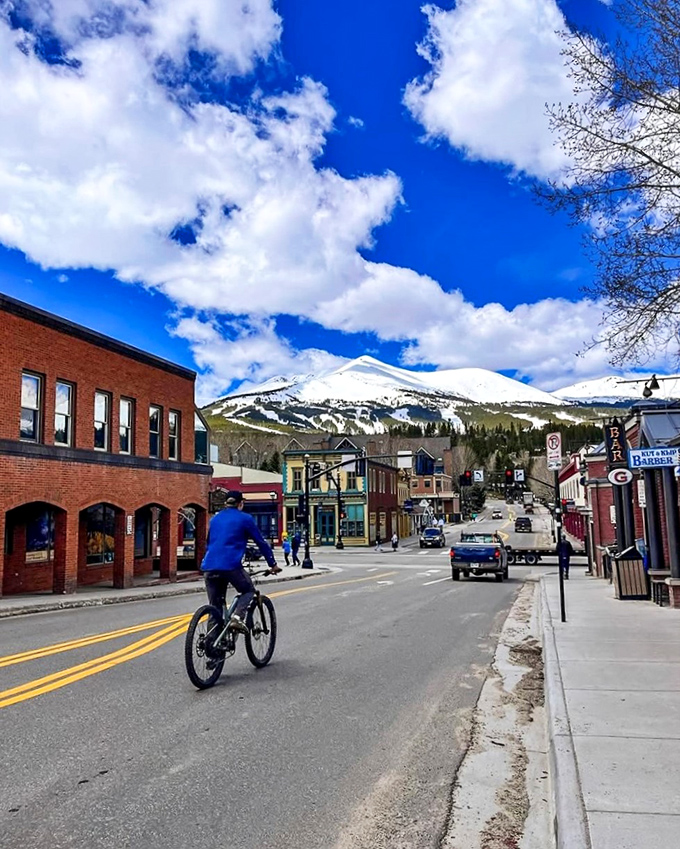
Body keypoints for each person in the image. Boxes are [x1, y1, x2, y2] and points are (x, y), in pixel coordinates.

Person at [200, 490, 280, 633]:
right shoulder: (245, 519)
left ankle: (212, 648)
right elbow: (261, 542)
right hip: (231, 566)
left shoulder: (214, 519)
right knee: (248, 590)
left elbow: (208, 543)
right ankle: (237, 618)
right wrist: (272, 564)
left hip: (209, 566)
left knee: (215, 606)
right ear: (240, 504)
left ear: (226, 503)